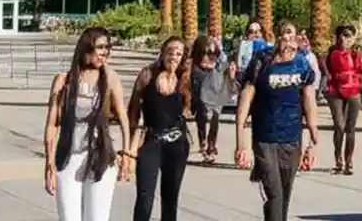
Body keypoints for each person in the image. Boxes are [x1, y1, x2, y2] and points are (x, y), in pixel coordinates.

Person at [234, 20, 321, 221]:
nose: (288, 38)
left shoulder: (301, 63)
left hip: (291, 139)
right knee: (274, 194)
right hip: (265, 139)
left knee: (284, 195)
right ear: (276, 36)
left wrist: (313, 143)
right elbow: (244, 104)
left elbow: (309, 102)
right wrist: (242, 145)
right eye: (283, 34)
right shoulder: (261, 61)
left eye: (291, 34)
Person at [43, 26, 132, 221]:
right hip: (68, 158)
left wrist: (126, 154)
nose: (104, 52)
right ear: (86, 48)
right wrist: (49, 161)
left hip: (101, 158)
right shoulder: (63, 81)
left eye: (107, 48)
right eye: (100, 47)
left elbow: (123, 117)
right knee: (69, 217)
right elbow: (51, 124)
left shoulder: (110, 78)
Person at [127, 36, 190, 221]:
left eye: (179, 53)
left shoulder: (184, 78)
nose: (174, 57)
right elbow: (134, 112)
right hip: (151, 140)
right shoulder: (147, 75)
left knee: (170, 198)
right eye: (170, 51)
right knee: (145, 197)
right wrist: (131, 146)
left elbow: (193, 108)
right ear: (163, 52)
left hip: (176, 144)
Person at [324, 24, 362, 175]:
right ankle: (338, 160)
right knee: (339, 126)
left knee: (350, 128)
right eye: (341, 35)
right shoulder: (332, 52)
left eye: (348, 36)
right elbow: (327, 69)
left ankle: (349, 160)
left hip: (353, 91)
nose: (344, 39)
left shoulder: (357, 53)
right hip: (335, 91)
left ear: (354, 38)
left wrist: (356, 80)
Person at [190, 34, 235, 164]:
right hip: (201, 76)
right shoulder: (196, 65)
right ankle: (203, 142)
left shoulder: (216, 50)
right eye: (207, 51)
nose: (210, 53)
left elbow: (223, 62)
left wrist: (218, 48)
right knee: (202, 115)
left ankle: (211, 145)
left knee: (216, 115)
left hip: (215, 80)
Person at [235, 20, 271, 85]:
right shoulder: (243, 45)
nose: (255, 34)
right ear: (247, 33)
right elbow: (239, 66)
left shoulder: (268, 47)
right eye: (251, 32)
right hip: (247, 82)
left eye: (258, 31)